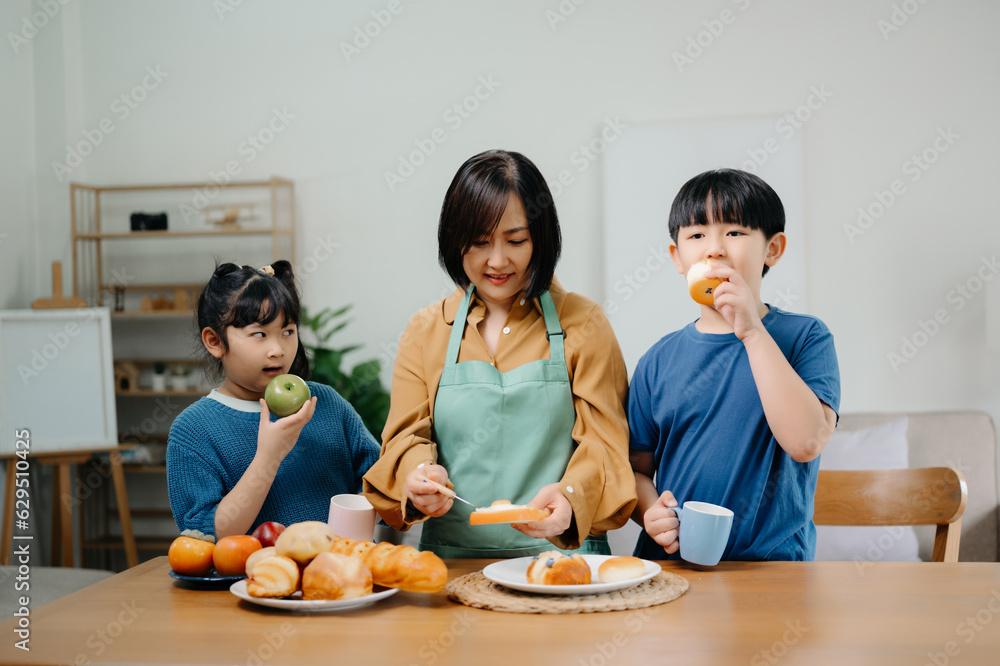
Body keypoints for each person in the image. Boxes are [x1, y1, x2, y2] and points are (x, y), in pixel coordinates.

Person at [364, 149, 636, 558]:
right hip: (451, 570)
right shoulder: (425, 330)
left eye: (516, 240)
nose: (496, 261)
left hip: (562, 563)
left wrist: (569, 498)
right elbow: (406, 438)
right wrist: (417, 477)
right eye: (478, 242)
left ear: (541, 238)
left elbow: (604, 446)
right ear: (454, 242)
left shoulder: (585, 323)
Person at [629, 169, 841, 561]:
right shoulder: (657, 360)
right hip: (672, 569)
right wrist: (649, 512)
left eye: (734, 233)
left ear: (772, 249)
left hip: (773, 573)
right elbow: (637, 469)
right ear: (678, 257)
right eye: (696, 235)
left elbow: (806, 442)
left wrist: (753, 333)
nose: (714, 250)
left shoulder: (806, 337)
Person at [167, 261, 380, 539]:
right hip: (252, 581)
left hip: (338, 576)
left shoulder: (326, 403)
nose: (278, 350)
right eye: (259, 334)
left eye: (288, 332)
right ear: (215, 341)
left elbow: (381, 483)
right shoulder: (194, 430)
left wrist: (412, 484)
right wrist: (269, 456)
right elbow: (206, 536)